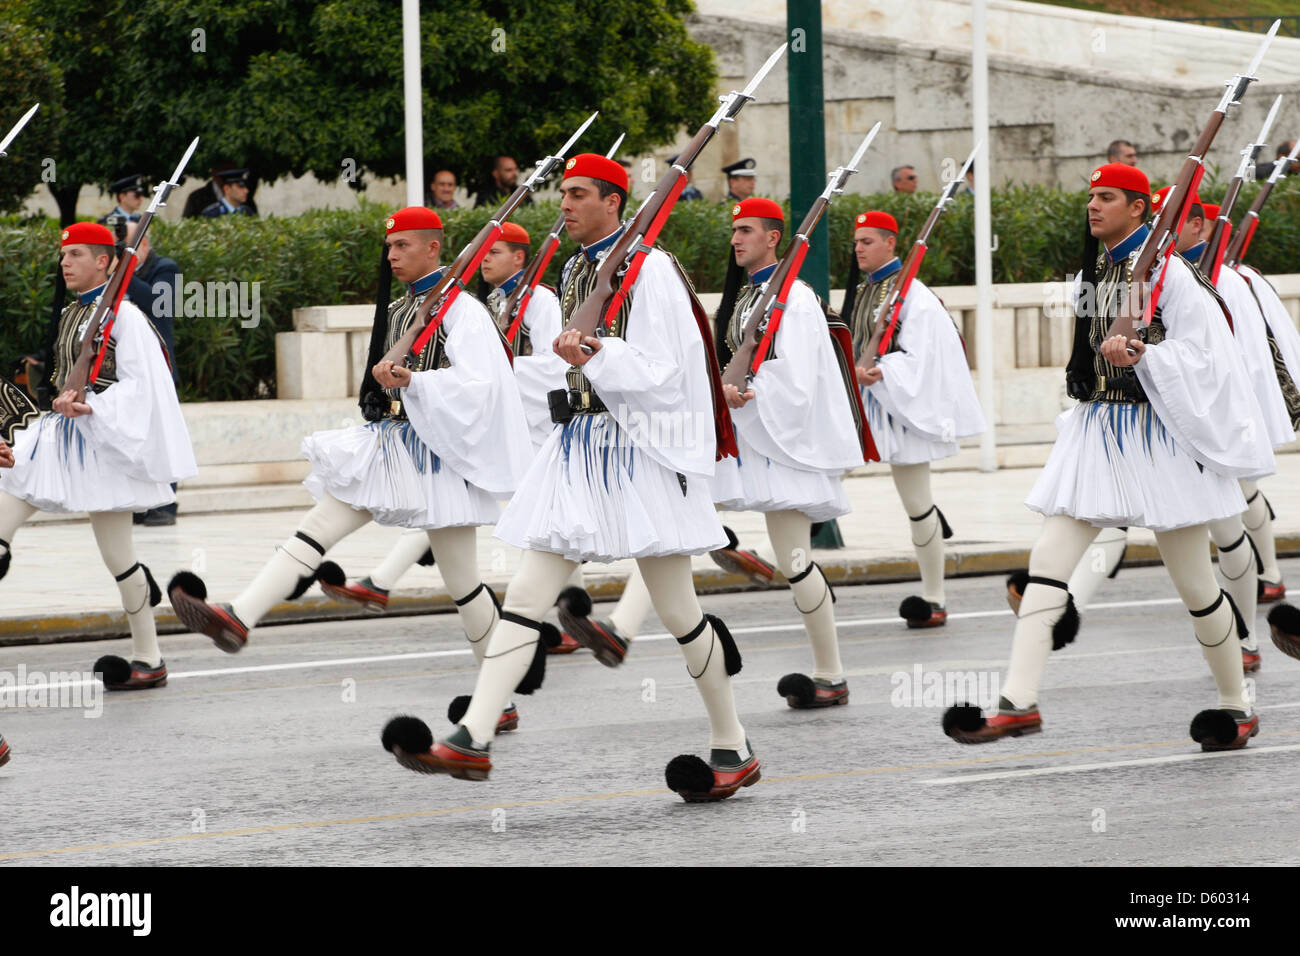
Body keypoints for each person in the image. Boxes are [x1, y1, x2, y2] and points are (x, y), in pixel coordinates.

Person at [381, 154, 760, 802]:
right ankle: (473, 736)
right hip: (582, 447)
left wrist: (600, 353)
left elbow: (668, 369)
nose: (565, 205)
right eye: (563, 194)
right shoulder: (583, 267)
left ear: (615, 202)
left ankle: (733, 743)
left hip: (642, 452)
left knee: (678, 611)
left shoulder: (651, 272)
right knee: (529, 594)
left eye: (579, 194)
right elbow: (562, 368)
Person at [168, 208, 533, 736]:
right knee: (322, 525)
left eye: (403, 246)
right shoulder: (411, 305)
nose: (392, 256)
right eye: (390, 247)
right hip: (391, 444)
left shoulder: (461, 311)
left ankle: (499, 702)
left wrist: (417, 382)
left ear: (434, 248)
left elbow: (482, 387)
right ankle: (240, 615)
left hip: (436, 456)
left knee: (464, 583)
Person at [945, 163, 1270, 751]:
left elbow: (1211, 357)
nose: (1093, 206)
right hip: (1097, 429)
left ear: (1140, 209)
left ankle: (1234, 704)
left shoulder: (1172, 275)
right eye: (1091, 196)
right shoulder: (1094, 271)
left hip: (1159, 435)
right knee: (1047, 562)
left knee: (1195, 584)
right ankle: (1016, 703)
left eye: (1107, 198)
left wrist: (1147, 355)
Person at [322, 220, 584, 656]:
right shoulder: (483, 303)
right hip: (488, 416)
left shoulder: (539, 301)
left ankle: (559, 619)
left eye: (496, 253)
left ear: (520, 258)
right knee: (453, 511)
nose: (486, 262)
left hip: (534, 420)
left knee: (547, 521)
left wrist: (497, 374)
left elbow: (552, 366)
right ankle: (384, 582)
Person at [0, 222, 197, 690]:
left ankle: (148, 659)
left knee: (119, 556)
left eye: (76, 255)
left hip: (103, 445)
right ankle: (150, 658)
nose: (65, 262)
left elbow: (145, 387)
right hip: (60, 441)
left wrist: (91, 405)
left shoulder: (125, 317)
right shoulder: (74, 312)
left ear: (105, 262)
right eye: (64, 255)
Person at [849, 210, 986, 627]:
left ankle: (934, 597)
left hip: (897, 407)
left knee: (916, 503)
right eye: (856, 242)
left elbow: (927, 356)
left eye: (867, 241)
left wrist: (881, 372)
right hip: (865, 404)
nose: (858, 249)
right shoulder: (868, 290)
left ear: (891, 243)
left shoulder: (913, 295)